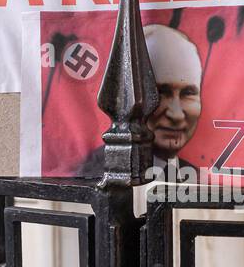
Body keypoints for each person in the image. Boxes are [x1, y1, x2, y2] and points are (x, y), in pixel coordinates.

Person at [77, 23, 203, 177]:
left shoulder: (194, 176)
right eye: (161, 92)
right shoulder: (91, 172)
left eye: (188, 93)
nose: (176, 115)